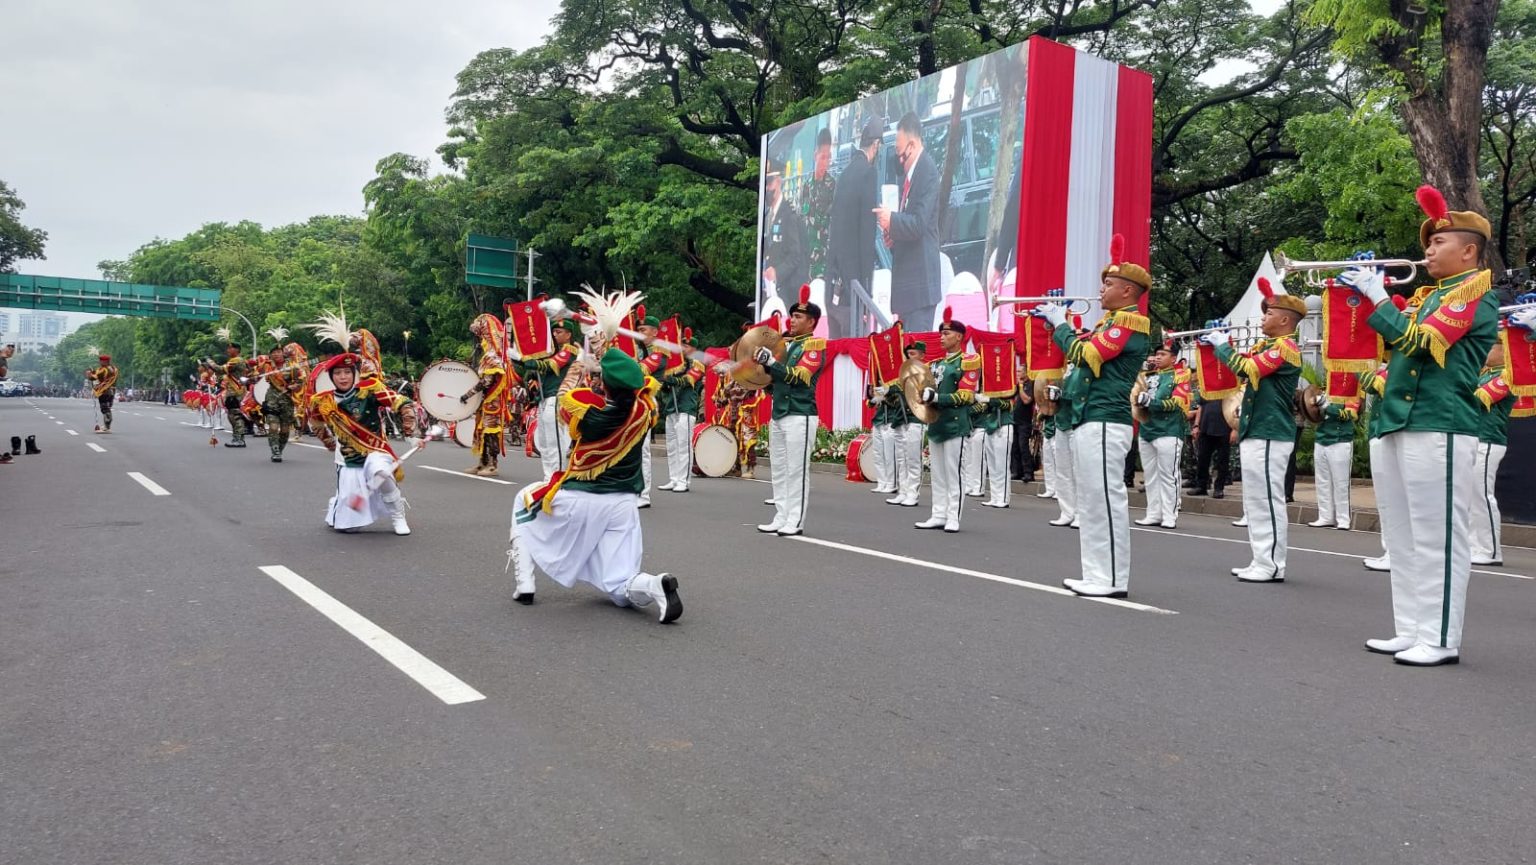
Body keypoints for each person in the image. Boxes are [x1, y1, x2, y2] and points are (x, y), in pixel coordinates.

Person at [1346, 186, 1501, 666]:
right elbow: (1388, 345)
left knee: (1439, 537)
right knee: (1404, 534)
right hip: (1400, 421)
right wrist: (1368, 302)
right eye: (1428, 244)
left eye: (1439, 243)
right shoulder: (1427, 297)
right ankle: (1410, 628)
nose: (1428, 251)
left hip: (1440, 423)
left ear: (1469, 250)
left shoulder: (1474, 294)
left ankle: (1439, 638)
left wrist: (1380, 297)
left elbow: (1416, 344)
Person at [506, 306, 682, 623]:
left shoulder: (591, 414)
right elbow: (636, 376)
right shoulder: (645, 409)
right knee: (620, 586)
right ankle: (655, 585)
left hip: (582, 499)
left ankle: (525, 583)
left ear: (607, 385)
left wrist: (579, 364)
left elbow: (564, 397)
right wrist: (594, 335)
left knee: (523, 501)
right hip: (624, 505)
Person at [1034, 236, 1151, 598]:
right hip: (1089, 418)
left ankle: (1112, 578)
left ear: (1128, 290)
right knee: (1091, 500)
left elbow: (1086, 355)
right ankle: (1097, 574)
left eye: (1109, 284)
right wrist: (1060, 324)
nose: (1101, 289)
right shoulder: (1109, 323)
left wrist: (1060, 324)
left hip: (1106, 419)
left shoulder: (1129, 323)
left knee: (1105, 499)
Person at [1206, 279, 1304, 583]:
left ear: (1285, 319)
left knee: (1267, 500)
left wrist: (1222, 345)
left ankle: (1272, 563)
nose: (1263, 318)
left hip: (1270, 431)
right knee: (1255, 499)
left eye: (1269, 313)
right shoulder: (1269, 347)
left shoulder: (1285, 348)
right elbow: (1246, 363)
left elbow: (1247, 369)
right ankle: (1262, 559)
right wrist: (1224, 345)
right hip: (1257, 429)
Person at [308, 355, 422, 535]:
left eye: (347, 372)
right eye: (338, 373)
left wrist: (411, 434)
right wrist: (329, 443)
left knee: (381, 473)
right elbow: (315, 423)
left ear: (355, 374)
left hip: (375, 450)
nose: (343, 377)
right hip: (348, 458)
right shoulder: (322, 401)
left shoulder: (370, 390)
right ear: (331, 377)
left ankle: (398, 515)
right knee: (350, 528)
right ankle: (338, 502)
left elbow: (403, 403)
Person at [755, 287, 826, 536]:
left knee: (797, 470)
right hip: (780, 412)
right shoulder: (785, 344)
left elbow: (800, 377)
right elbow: (773, 379)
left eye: (798, 317)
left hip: (800, 413)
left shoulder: (814, 345)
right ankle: (781, 515)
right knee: (780, 468)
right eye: (792, 316)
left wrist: (772, 363)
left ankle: (795, 520)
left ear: (811, 322)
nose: (792, 320)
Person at [873, 112, 941, 328]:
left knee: (916, 358)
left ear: (911, 146)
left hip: (919, 290)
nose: (897, 156)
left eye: (898, 149)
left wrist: (891, 220)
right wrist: (893, 238)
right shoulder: (909, 177)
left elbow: (919, 224)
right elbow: (909, 227)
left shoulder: (927, 171)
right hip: (908, 292)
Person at [915, 311, 979, 532]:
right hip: (936, 423)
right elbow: (925, 391)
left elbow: (966, 396)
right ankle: (938, 513)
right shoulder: (934, 364)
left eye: (946, 333)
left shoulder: (968, 362)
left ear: (959, 337)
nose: (941, 337)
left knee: (954, 473)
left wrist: (936, 398)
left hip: (955, 425)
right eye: (940, 333)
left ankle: (953, 516)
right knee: (938, 474)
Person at [827, 119, 881, 339]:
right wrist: (867, 291)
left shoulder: (844, 174)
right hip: (854, 286)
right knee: (855, 354)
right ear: (876, 144)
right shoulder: (868, 173)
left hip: (834, 278)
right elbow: (867, 237)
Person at [1134, 343, 1191, 529]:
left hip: (1169, 429)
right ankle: (1153, 513)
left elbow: (1177, 402)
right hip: (1147, 429)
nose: (1157, 357)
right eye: (1156, 354)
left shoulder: (1181, 375)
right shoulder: (1147, 376)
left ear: (1173, 358)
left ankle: (1169, 515)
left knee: (1169, 475)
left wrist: (1152, 402)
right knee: (1150, 475)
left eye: (1163, 354)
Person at [518, 320, 582, 481]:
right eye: (554, 332)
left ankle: (557, 477)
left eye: (559, 332)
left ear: (568, 335)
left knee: (555, 442)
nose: (555, 334)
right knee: (544, 443)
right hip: (545, 398)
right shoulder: (554, 351)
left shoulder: (569, 351)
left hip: (556, 398)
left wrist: (524, 359)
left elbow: (547, 365)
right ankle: (549, 477)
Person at [1470, 340, 1514, 566]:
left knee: (1482, 496)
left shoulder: (1508, 375)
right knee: (1470, 497)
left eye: (1493, 346)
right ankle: (1474, 545)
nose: (1487, 351)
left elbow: (1479, 399)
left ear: (1503, 350)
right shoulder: (1483, 373)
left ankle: (1491, 550)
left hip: (1488, 440)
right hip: (1474, 438)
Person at [871, 340, 927, 506]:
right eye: (908, 354)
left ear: (922, 355)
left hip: (916, 418)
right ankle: (903, 491)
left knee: (913, 458)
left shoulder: (925, 371)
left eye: (913, 354)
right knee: (901, 458)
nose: (909, 357)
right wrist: (887, 392)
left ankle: (913, 493)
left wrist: (894, 389)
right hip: (900, 418)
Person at [1306, 381, 1361, 531]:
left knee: (1341, 483)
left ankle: (1343, 519)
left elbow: (1349, 415)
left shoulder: (1352, 392)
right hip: (1321, 439)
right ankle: (1325, 517)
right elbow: (1314, 413)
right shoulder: (1324, 390)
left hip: (1340, 440)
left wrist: (1326, 406)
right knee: (1322, 481)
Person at [464, 313, 513, 477]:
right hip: (485, 403)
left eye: (482, 337)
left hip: (493, 403)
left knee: (491, 432)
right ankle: (482, 463)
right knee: (481, 432)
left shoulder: (493, 357)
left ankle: (492, 465)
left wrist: (468, 394)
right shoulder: (488, 356)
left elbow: (486, 382)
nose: (480, 341)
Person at [659, 330, 706, 493]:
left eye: (684, 345)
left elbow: (687, 381)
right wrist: (664, 382)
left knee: (683, 445)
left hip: (686, 408)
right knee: (671, 446)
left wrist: (670, 379)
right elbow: (666, 387)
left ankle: (683, 481)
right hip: (672, 407)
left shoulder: (697, 364)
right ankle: (673, 478)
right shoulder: (675, 365)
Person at [760, 157, 809, 310]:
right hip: (772, 291)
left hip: (788, 293)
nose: (767, 188)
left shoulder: (789, 215)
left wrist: (777, 272)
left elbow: (795, 256)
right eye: (765, 184)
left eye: (770, 182)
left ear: (779, 181)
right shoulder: (769, 216)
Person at [976, 369, 1016, 509]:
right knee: (992, 465)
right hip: (990, 426)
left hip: (1003, 425)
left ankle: (1003, 497)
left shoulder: (1009, 385)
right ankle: (995, 496)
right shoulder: (987, 387)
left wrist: (990, 400)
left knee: (1002, 464)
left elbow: (1008, 405)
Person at [261, 336, 305, 463]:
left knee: (285, 429)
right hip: (272, 399)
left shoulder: (292, 366)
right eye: (274, 353)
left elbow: (301, 379)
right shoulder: (267, 366)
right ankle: (275, 451)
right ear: (271, 354)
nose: (276, 354)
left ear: (283, 353)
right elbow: (254, 374)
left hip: (287, 400)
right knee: (273, 426)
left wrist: (294, 385)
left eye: (278, 352)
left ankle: (280, 449)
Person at [803, 127, 837, 287]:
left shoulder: (832, 185)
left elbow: (834, 222)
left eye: (829, 158)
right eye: (823, 157)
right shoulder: (806, 186)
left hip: (824, 258)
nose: (826, 162)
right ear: (815, 155)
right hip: (807, 256)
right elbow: (802, 218)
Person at [713, 378, 763, 478]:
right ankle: (736, 468)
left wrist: (731, 389)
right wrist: (723, 382)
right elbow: (725, 397)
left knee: (748, 439)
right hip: (733, 413)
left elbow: (745, 392)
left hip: (746, 411)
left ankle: (750, 468)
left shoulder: (750, 376)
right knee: (732, 439)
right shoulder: (732, 377)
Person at [220, 342, 252, 448]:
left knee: (236, 415)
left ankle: (239, 439)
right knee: (231, 414)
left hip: (236, 392)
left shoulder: (236, 360)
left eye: (230, 348)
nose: (228, 350)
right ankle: (236, 437)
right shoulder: (238, 360)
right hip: (233, 391)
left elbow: (220, 369)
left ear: (237, 350)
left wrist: (209, 362)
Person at [85, 354, 118, 433]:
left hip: (105, 390)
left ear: (105, 361)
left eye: (101, 361)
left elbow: (94, 376)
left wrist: (89, 374)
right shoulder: (114, 368)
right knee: (108, 407)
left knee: (104, 408)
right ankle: (106, 425)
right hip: (112, 390)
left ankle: (107, 427)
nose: (100, 362)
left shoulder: (104, 369)